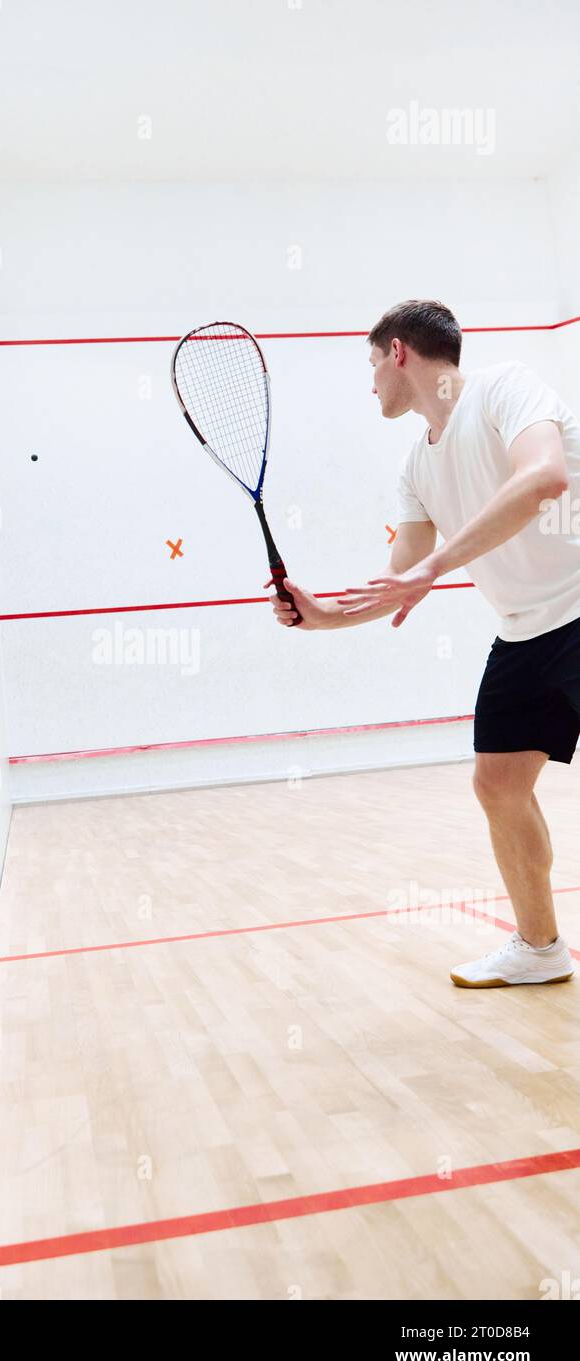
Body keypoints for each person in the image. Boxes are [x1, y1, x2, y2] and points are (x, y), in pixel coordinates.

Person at [269, 298, 580, 988]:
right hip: (525, 635)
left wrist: (433, 568)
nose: (370, 379)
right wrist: (322, 616)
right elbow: (398, 582)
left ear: (398, 351)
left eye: (371, 362)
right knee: (498, 786)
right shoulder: (415, 466)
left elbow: (544, 478)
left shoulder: (504, 387)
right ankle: (537, 948)